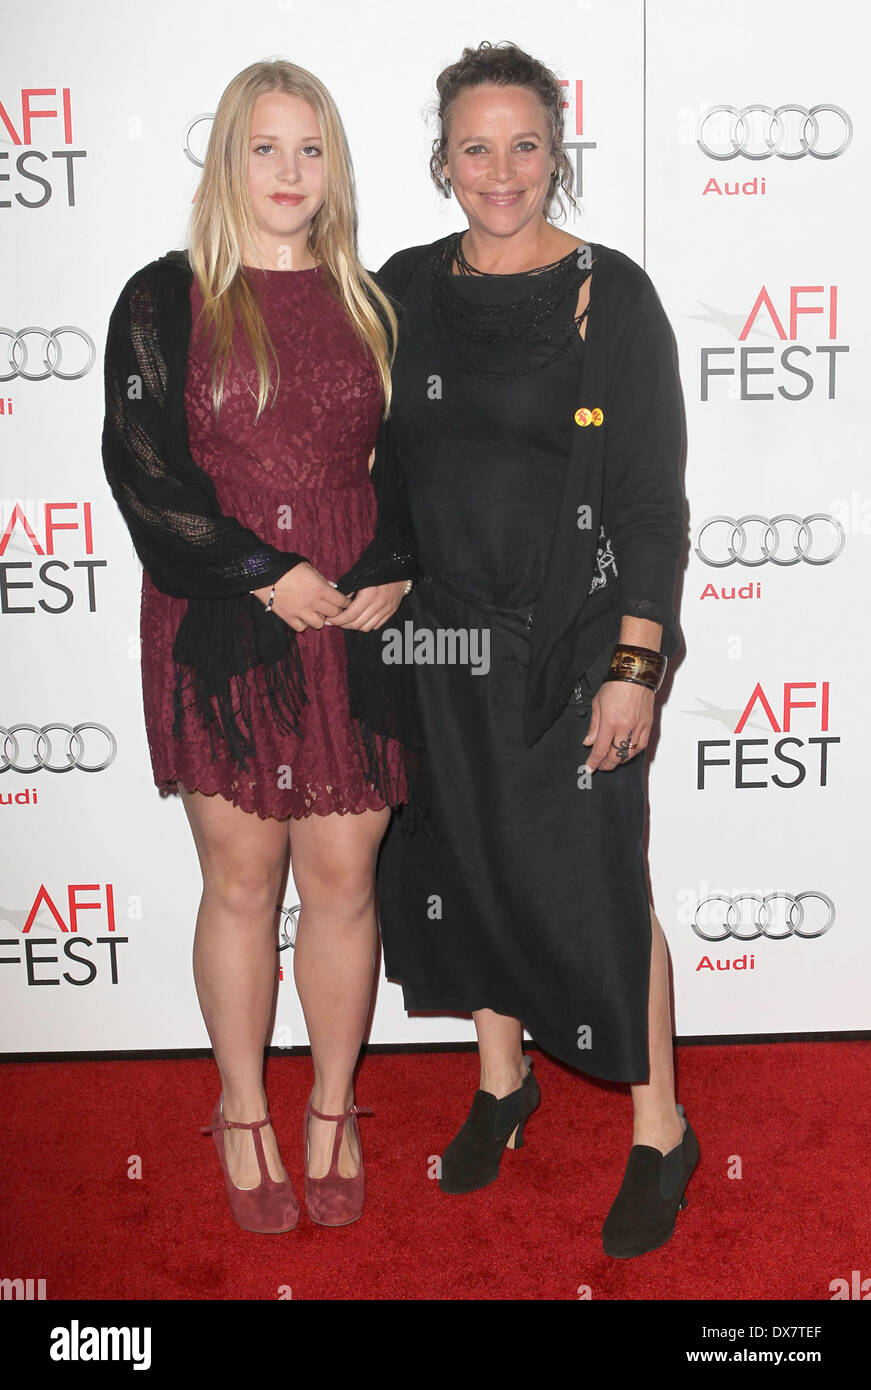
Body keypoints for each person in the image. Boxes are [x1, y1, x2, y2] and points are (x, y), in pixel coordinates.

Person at [374, 40, 697, 1258]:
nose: (499, 170)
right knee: (468, 861)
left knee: (598, 879)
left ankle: (660, 1127)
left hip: (569, 642)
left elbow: (651, 507)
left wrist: (634, 667)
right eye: (474, 146)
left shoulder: (611, 292)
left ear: (556, 152)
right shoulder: (402, 284)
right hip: (439, 639)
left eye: (523, 144)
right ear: (441, 158)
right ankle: (503, 1082)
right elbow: (380, 466)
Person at [102, 60, 415, 1233]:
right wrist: (258, 570)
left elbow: (415, 470)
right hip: (223, 615)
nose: (289, 172)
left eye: (311, 149)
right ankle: (243, 1109)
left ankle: (332, 1107)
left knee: (342, 884)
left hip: (347, 619)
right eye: (265, 148)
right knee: (240, 882)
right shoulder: (165, 296)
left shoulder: (377, 303)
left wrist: (387, 567)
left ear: (334, 167)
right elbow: (143, 471)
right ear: (226, 159)